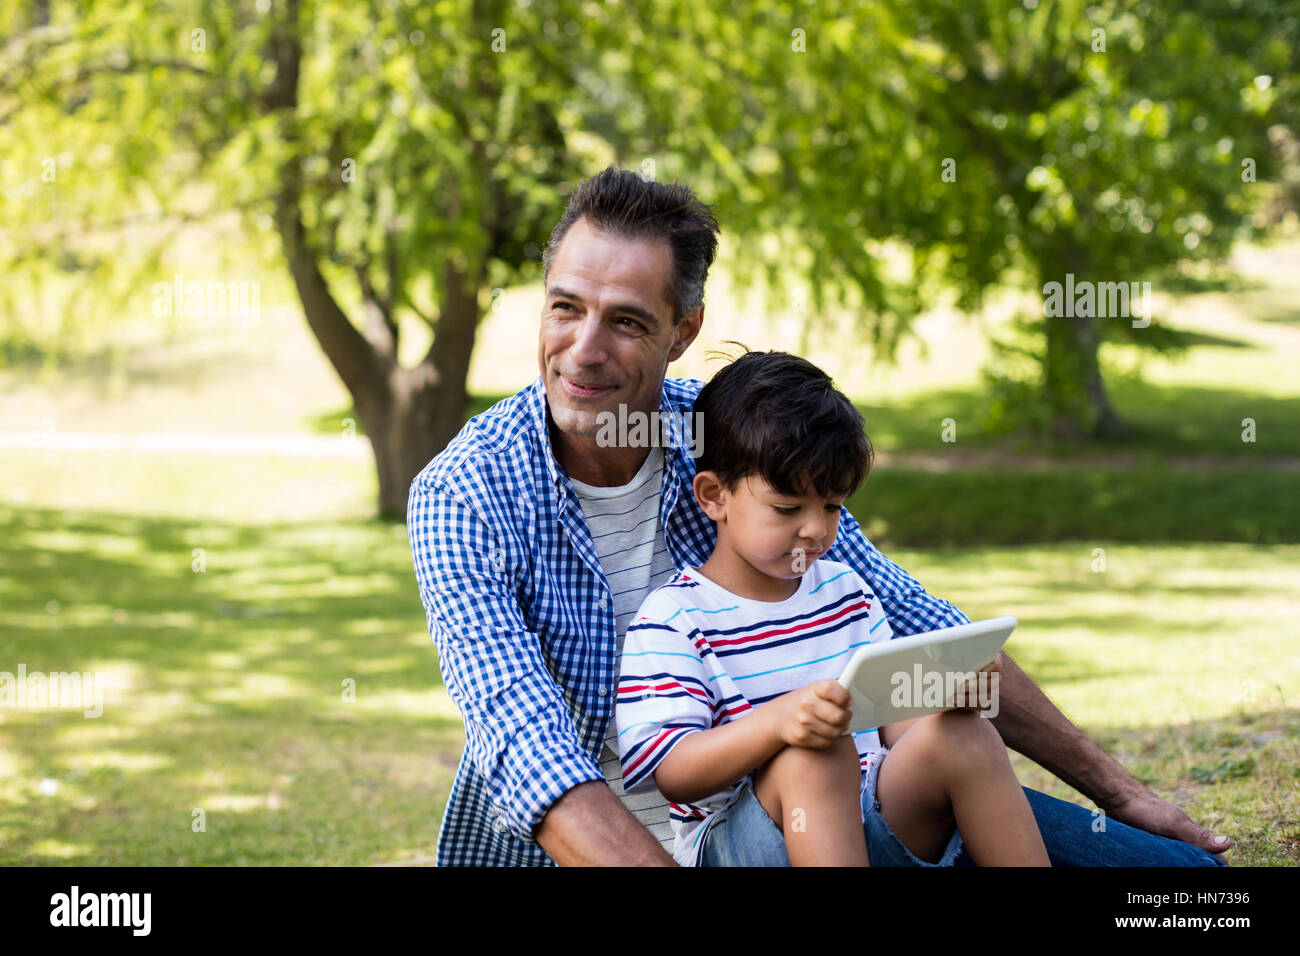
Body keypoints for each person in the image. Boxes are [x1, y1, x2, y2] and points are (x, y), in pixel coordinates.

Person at [406, 165, 1231, 866]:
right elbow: (532, 755)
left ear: (683, 332)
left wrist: (1122, 793)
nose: (584, 349)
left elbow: (923, 632)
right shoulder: (465, 495)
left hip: (846, 819)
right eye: (564, 307)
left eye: (626, 321)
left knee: (1182, 876)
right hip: (626, 850)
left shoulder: (731, 441)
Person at [615, 349, 1051, 866]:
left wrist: (943, 702)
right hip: (743, 846)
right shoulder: (673, 620)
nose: (816, 529)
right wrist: (777, 723)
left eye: (832, 506)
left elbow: (894, 728)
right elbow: (670, 768)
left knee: (965, 734)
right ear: (714, 496)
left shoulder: (846, 593)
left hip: (866, 819)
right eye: (786, 507)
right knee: (815, 754)